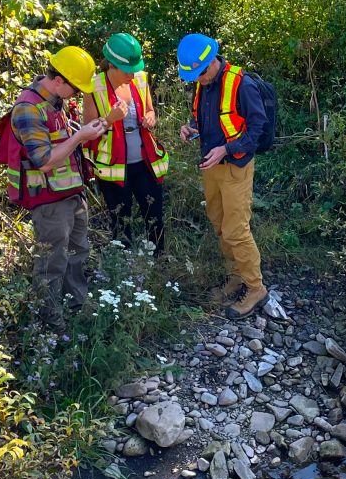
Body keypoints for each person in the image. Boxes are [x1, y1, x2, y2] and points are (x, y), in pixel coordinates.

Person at [9, 45, 112, 324]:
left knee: (78, 253)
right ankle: (50, 325)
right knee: (51, 263)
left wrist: (86, 132)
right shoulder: (28, 109)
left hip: (71, 193)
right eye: (75, 88)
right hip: (49, 200)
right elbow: (43, 161)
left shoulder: (56, 101)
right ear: (58, 80)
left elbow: (62, 138)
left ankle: (78, 313)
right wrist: (80, 138)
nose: (77, 94)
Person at [177, 33, 267, 318]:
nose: (198, 80)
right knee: (219, 223)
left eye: (199, 74)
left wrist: (227, 149)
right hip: (210, 165)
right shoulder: (203, 83)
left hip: (235, 166)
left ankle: (256, 288)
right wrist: (191, 128)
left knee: (236, 230)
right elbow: (204, 118)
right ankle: (236, 276)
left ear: (211, 62)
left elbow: (258, 128)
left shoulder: (242, 84)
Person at [84, 32, 168, 255]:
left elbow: (150, 110)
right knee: (121, 220)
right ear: (111, 65)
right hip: (113, 167)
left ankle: (159, 259)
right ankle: (124, 264)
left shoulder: (139, 79)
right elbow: (87, 133)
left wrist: (150, 117)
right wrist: (109, 119)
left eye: (134, 69)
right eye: (126, 70)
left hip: (145, 162)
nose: (132, 74)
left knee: (154, 214)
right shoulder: (93, 87)